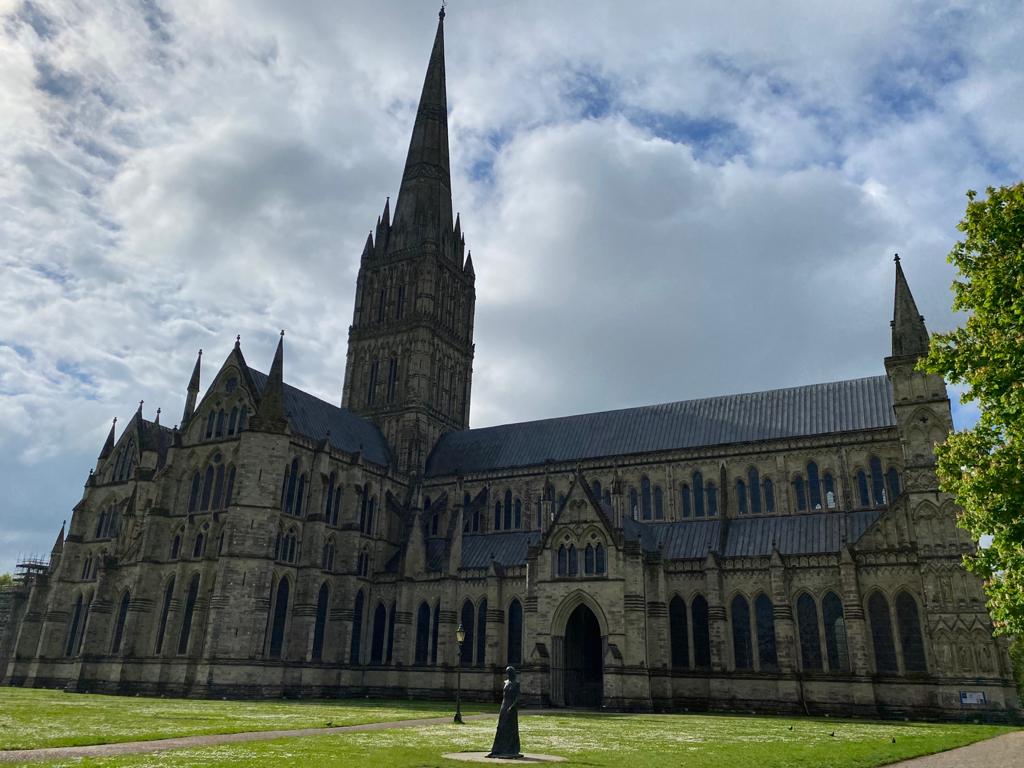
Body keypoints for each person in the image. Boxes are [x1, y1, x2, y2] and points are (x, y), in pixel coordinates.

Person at [487, 665, 522, 759]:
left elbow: (518, 697)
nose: (508, 674)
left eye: (509, 672)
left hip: (511, 707)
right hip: (504, 705)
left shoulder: (516, 683)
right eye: (507, 672)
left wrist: (512, 706)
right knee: (500, 727)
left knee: (511, 729)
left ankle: (512, 749)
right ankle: (496, 750)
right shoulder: (506, 682)